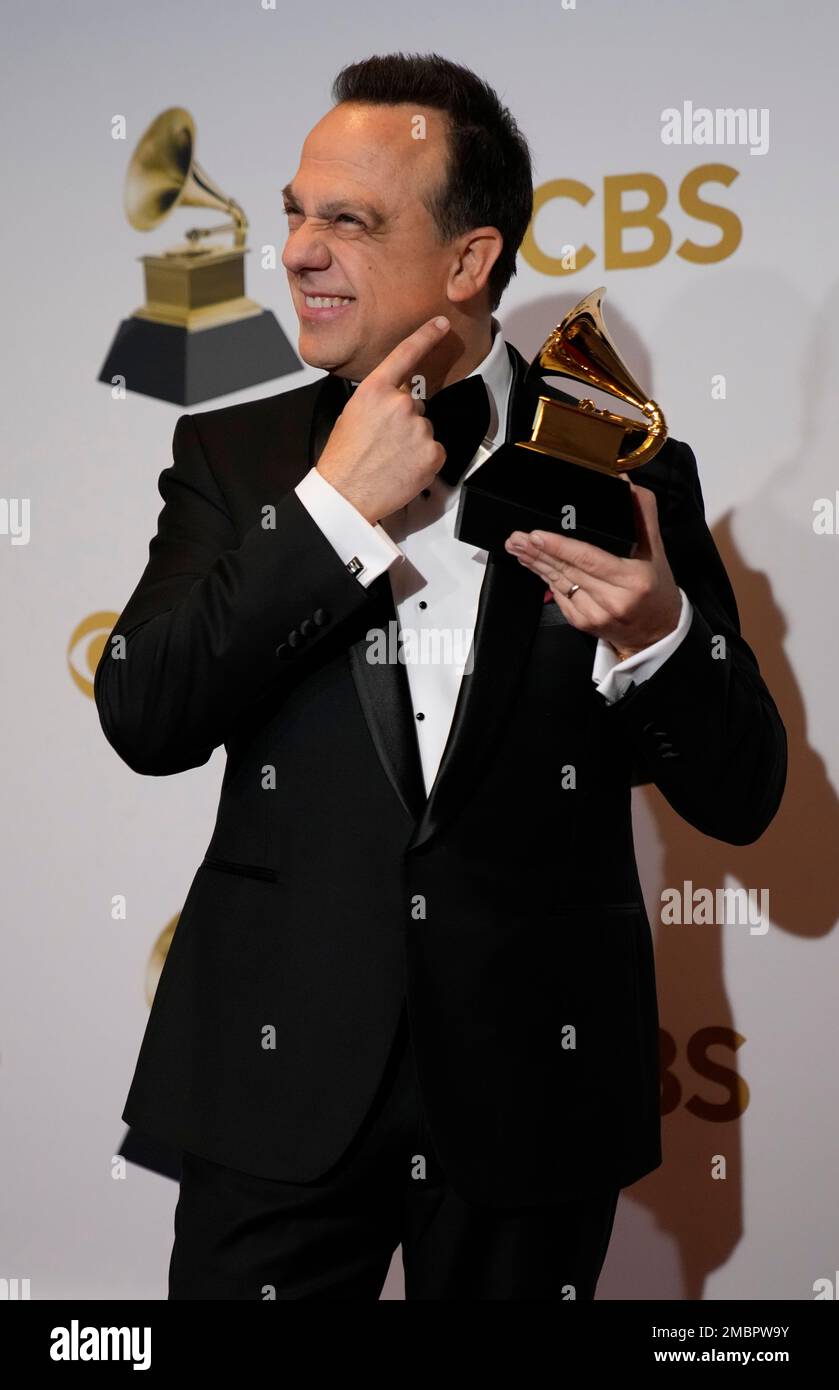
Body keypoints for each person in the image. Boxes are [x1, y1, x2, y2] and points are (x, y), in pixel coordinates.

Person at [94, 51, 787, 1300]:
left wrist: (659, 637)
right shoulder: (235, 454)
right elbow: (145, 712)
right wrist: (325, 520)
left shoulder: (626, 467)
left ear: (467, 262)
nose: (296, 248)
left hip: (533, 1092)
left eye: (346, 220)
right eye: (296, 210)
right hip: (276, 1090)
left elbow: (743, 797)